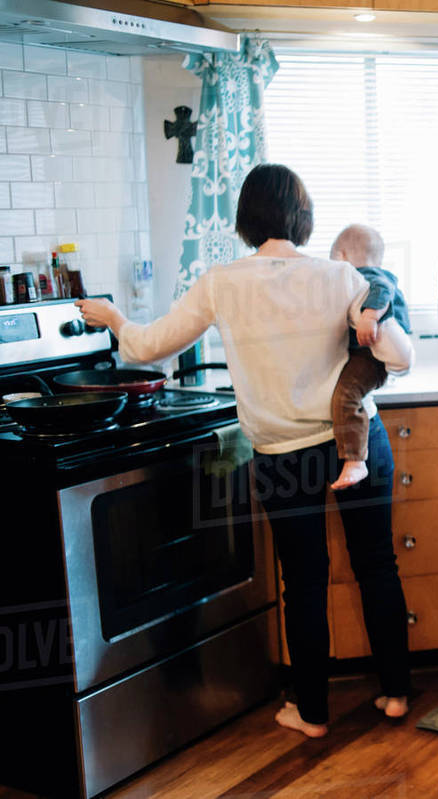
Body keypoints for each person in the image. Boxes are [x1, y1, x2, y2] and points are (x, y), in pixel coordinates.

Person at [76, 163, 415, 737]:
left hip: (285, 456)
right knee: (376, 564)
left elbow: (144, 346)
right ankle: (397, 692)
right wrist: (372, 318)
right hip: (356, 440)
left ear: (244, 221)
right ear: (303, 218)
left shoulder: (223, 282)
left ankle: (310, 712)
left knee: (304, 582)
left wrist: (112, 317)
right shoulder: (339, 276)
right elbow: (400, 359)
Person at [327, 223, 413, 490]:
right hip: (365, 353)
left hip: (371, 356)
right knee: (348, 393)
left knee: (346, 394)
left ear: (341, 257)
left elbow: (382, 291)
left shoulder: (370, 276)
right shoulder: (363, 278)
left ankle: (355, 460)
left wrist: (370, 316)